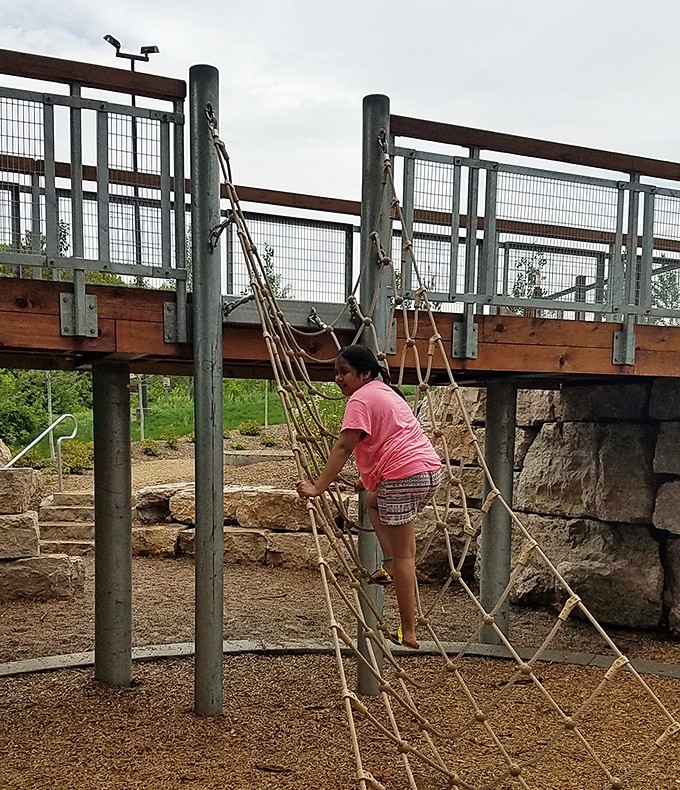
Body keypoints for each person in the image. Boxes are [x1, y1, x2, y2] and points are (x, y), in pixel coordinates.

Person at [296, 345, 442, 650]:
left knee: (406, 556)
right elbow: (391, 438)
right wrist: (371, 479)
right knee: (373, 501)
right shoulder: (387, 391)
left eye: (345, 371)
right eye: (336, 372)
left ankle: (409, 631)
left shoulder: (360, 398)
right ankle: (388, 562)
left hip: (404, 476)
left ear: (365, 373)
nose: (338, 378)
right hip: (428, 472)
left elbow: (343, 447)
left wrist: (317, 487)